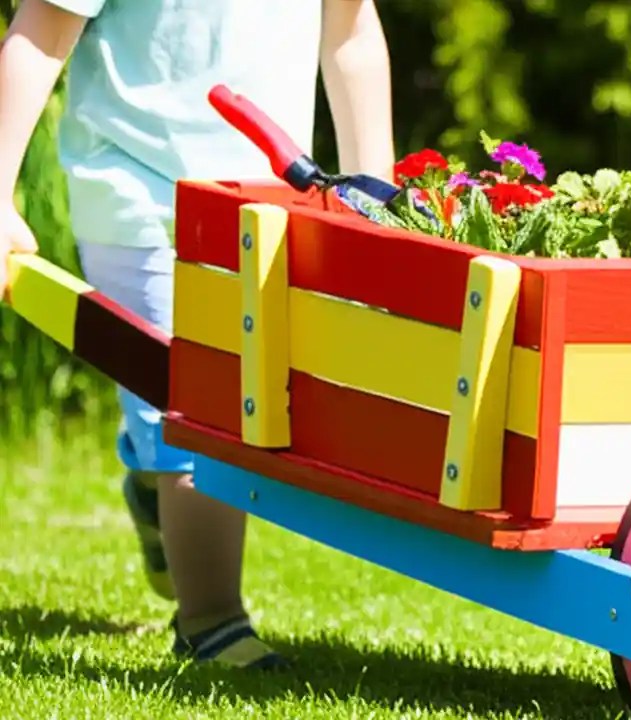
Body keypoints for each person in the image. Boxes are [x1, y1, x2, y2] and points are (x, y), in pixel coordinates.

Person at [0, 0, 395, 669]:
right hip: (140, 194)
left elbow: (351, 35)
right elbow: (40, 31)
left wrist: (375, 189)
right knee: (194, 403)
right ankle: (212, 619)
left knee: (230, 397)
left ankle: (154, 487)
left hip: (262, 204)